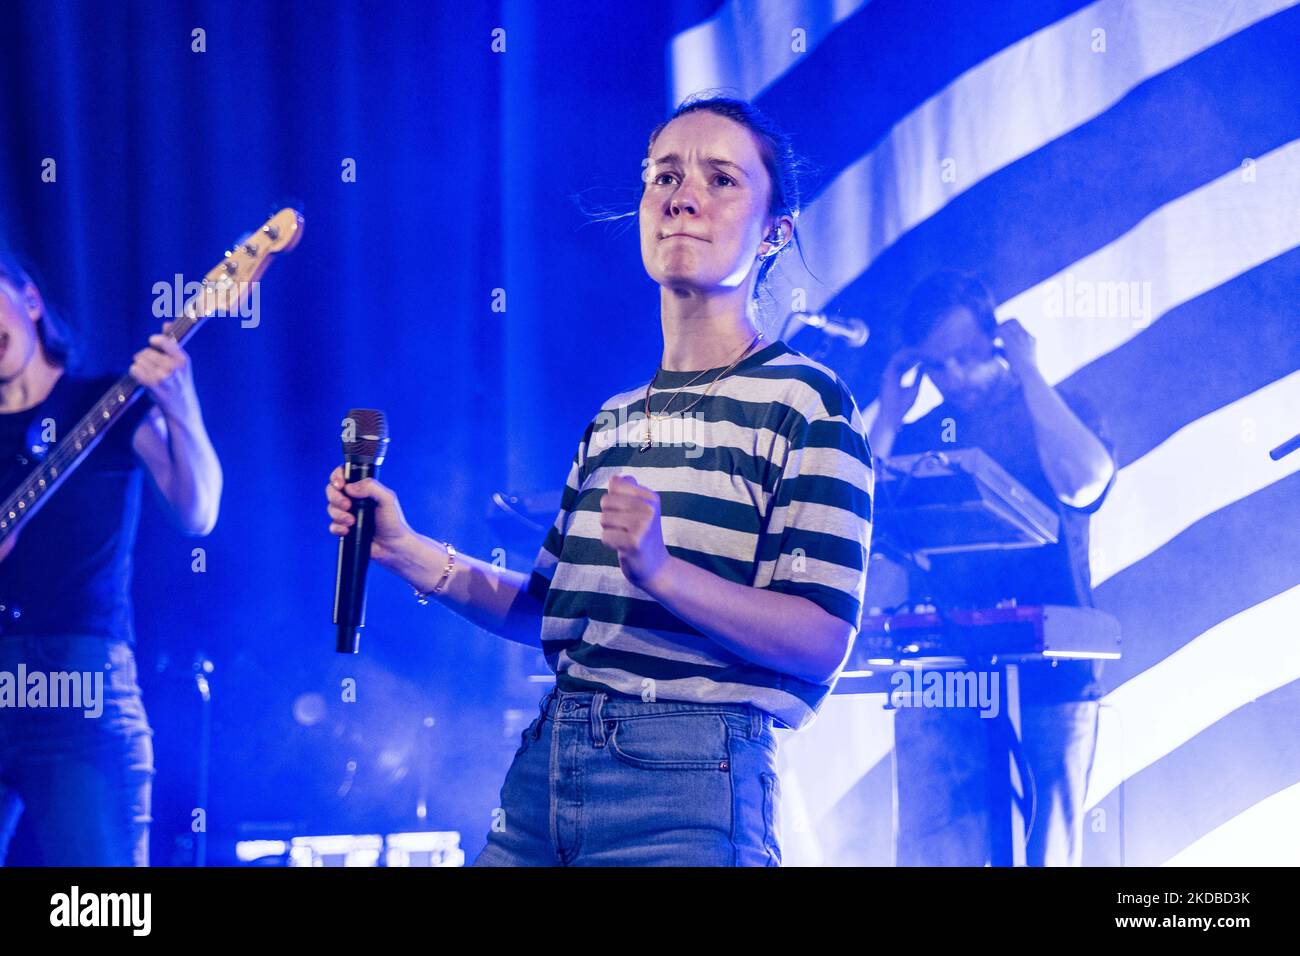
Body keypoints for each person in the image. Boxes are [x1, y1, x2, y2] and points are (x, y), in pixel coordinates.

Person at [325, 95, 875, 866]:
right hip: (546, 775)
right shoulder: (613, 421)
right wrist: (410, 551)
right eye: (663, 176)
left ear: (775, 232)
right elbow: (551, 613)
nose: (682, 195)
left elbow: (822, 639)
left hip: (688, 784)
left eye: (722, 179)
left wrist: (662, 571)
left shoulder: (807, 402)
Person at [869, 270, 1117, 866]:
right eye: (937, 366)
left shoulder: (1060, 412)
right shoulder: (918, 438)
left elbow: (1086, 480)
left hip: (1050, 677)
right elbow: (859, 520)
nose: (954, 378)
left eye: (966, 357)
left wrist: (1028, 370)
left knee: (1045, 852)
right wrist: (889, 417)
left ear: (998, 340)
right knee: (934, 853)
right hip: (944, 672)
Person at [0, 250, 223, 865]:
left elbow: (198, 512)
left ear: (30, 299)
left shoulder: (107, 403)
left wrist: (180, 403)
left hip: (81, 690)